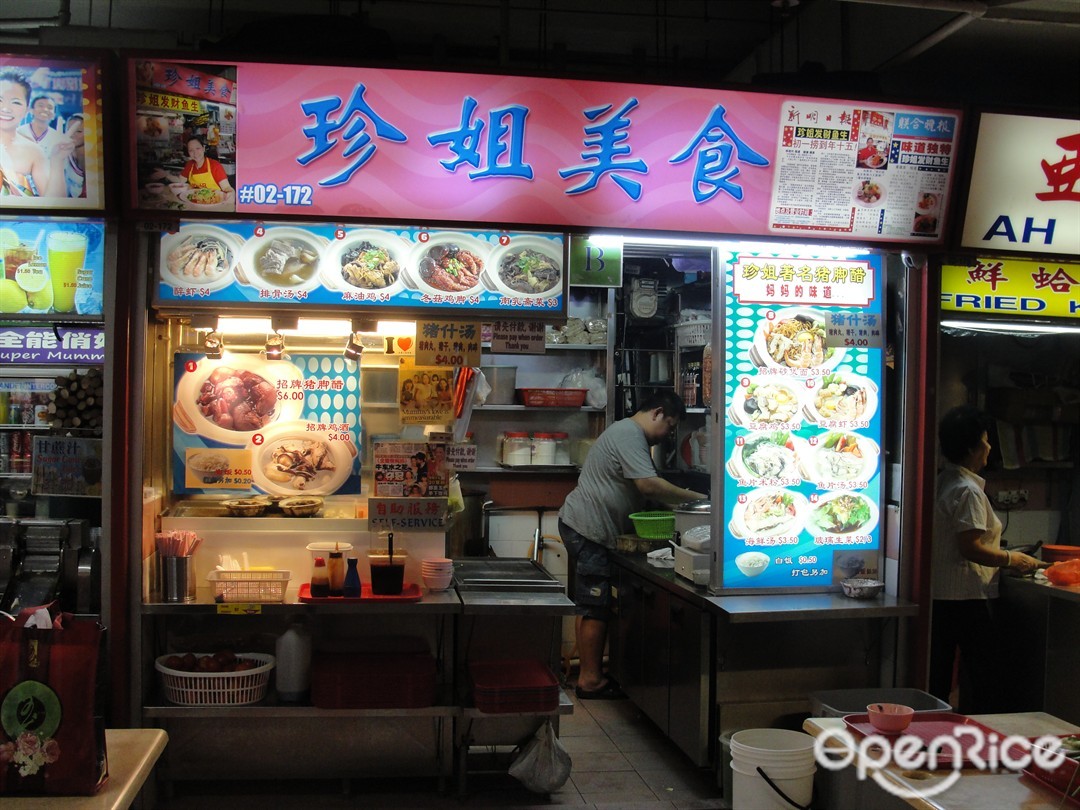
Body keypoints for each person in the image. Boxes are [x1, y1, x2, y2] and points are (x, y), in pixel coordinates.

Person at [558, 391, 707, 699]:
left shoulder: (628, 433)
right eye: (669, 426)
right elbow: (648, 485)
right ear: (657, 412)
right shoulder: (629, 434)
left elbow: (644, 491)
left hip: (587, 526)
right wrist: (701, 500)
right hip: (589, 528)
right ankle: (590, 681)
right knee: (595, 606)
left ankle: (590, 674)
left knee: (591, 604)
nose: (666, 435)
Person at [928, 405, 1043, 713]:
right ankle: (982, 730)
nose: (990, 447)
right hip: (966, 596)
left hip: (941, 596)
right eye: (985, 440)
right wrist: (1011, 558)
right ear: (971, 448)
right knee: (984, 673)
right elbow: (970, 547)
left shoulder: (942, 481)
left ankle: (936, 729)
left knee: (939, 673)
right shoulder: (968, 491)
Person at [0, 68, 68, 197]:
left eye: (15, 102)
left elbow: (54, 202)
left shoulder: (34, 151)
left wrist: (57, 160)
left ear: (26, 110)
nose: (5, 109)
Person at [16, 92, 71, 159]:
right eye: (40, 106)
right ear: (31, 110)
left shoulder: (58, 138)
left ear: (54, 115)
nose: (45, 109)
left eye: (50, 107)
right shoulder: (18, 132)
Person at [63, 113, 86, 198]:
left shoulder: (90, 159)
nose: (72, 134)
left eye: (79, 131)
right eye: (69, 130)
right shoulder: (64, 152)